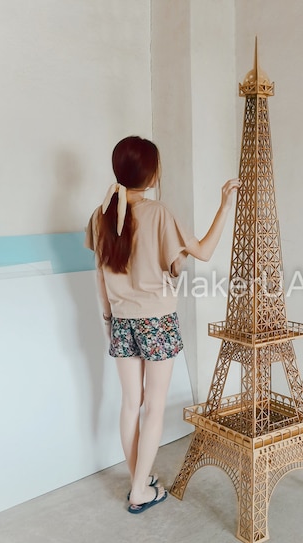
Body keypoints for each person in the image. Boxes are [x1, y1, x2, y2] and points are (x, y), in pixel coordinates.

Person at [85, 136, 240, 514]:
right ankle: (140, 491)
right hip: (156, 321)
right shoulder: (158, 213)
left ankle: (139, 478)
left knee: (130, 404)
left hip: (122, 321)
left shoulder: (100, 213)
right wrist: (224, 205)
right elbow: (201, 251)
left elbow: (100, 277)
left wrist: (108, 320)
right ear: (151, 172)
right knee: (154, 406)